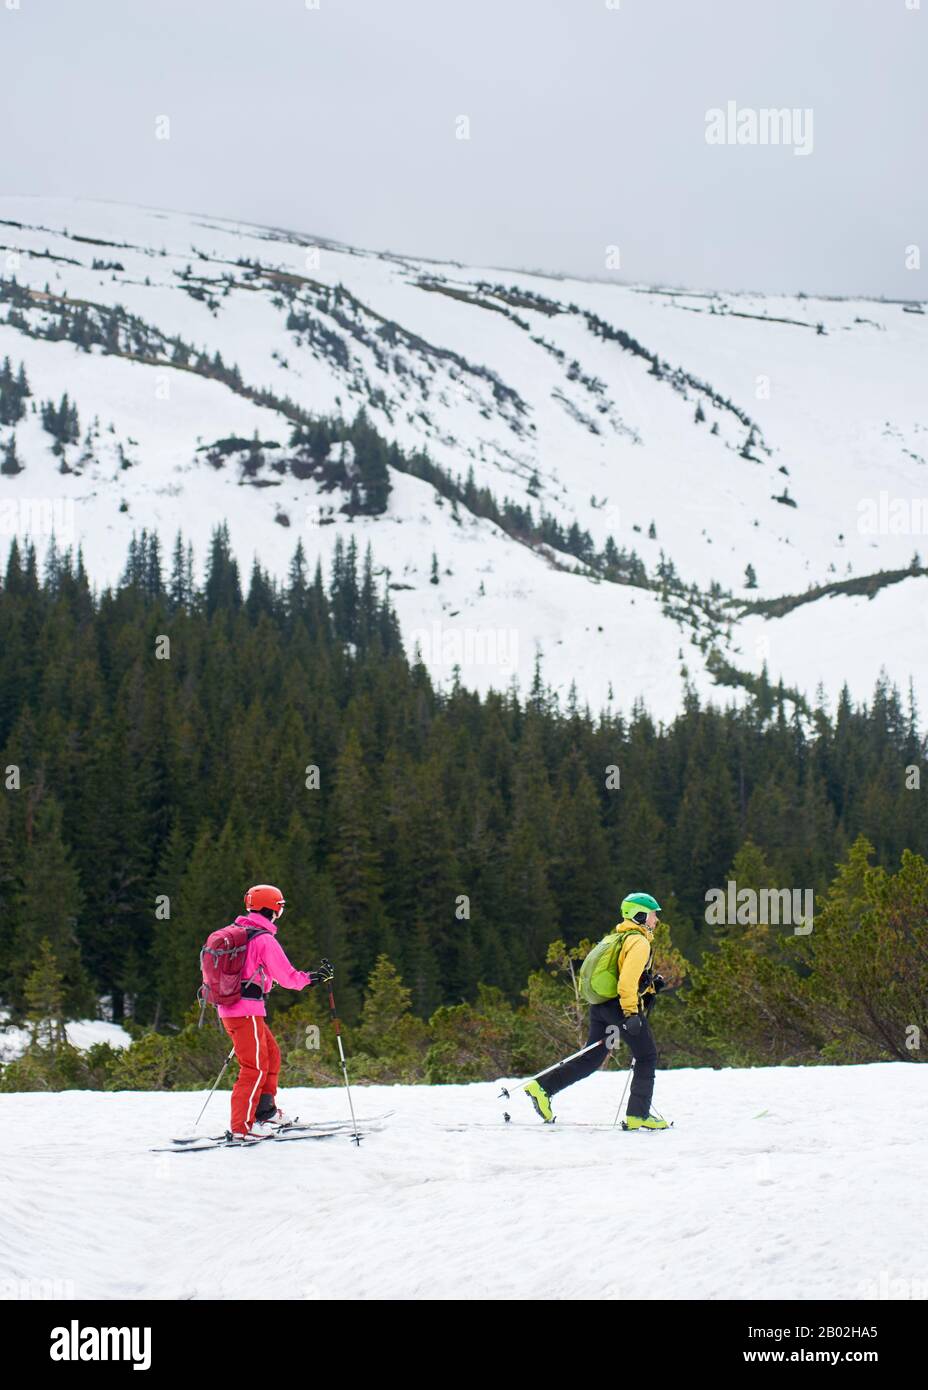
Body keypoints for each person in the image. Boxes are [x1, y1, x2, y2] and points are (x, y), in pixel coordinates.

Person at [525, 892, 670, 1130]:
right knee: (647, 1056)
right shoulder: (639, 942)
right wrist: (632, 1014)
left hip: (601, 1005)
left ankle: (543, 1088)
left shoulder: (618, 937)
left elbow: (628, 980)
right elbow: (626, 983)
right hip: (620, 1007)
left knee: (592, 1058)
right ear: (640, 915)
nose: (656, 920)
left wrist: (652, 987)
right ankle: (638, 1114)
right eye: (654, 915)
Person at [218, 883, 330, 1142]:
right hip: (245, 1011)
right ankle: (241, 1128)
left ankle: (265, 1112)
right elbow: (288, 977)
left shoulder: (237, 932)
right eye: (280, 906)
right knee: (254, 1067)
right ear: (273, 909)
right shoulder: (263, 939)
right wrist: (313, 979)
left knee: (271, 1054)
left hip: (232, 1008)